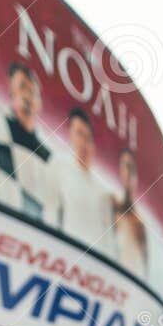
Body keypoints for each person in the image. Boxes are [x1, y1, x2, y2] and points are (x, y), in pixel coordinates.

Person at [0, 61, 57, 218]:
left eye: (33, 90)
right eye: (22, 87)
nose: (27, 95)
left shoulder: (47, 155)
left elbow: (49, 210)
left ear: (39, 101)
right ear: (12, 93)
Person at [54, 108, 115, 253]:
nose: (83, 142)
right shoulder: (60, 168)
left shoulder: (103, 191)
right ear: (70, 135)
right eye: (79, 134)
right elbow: (51, 213)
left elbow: (108, 239)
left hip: (96, 263)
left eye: (87, 137)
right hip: (66, 253)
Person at [112, 148, 150, 276]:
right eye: (125, 167)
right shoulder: (110, 204)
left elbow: (144, 265)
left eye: (131, 169)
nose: (128, 173)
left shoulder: (139, 222)